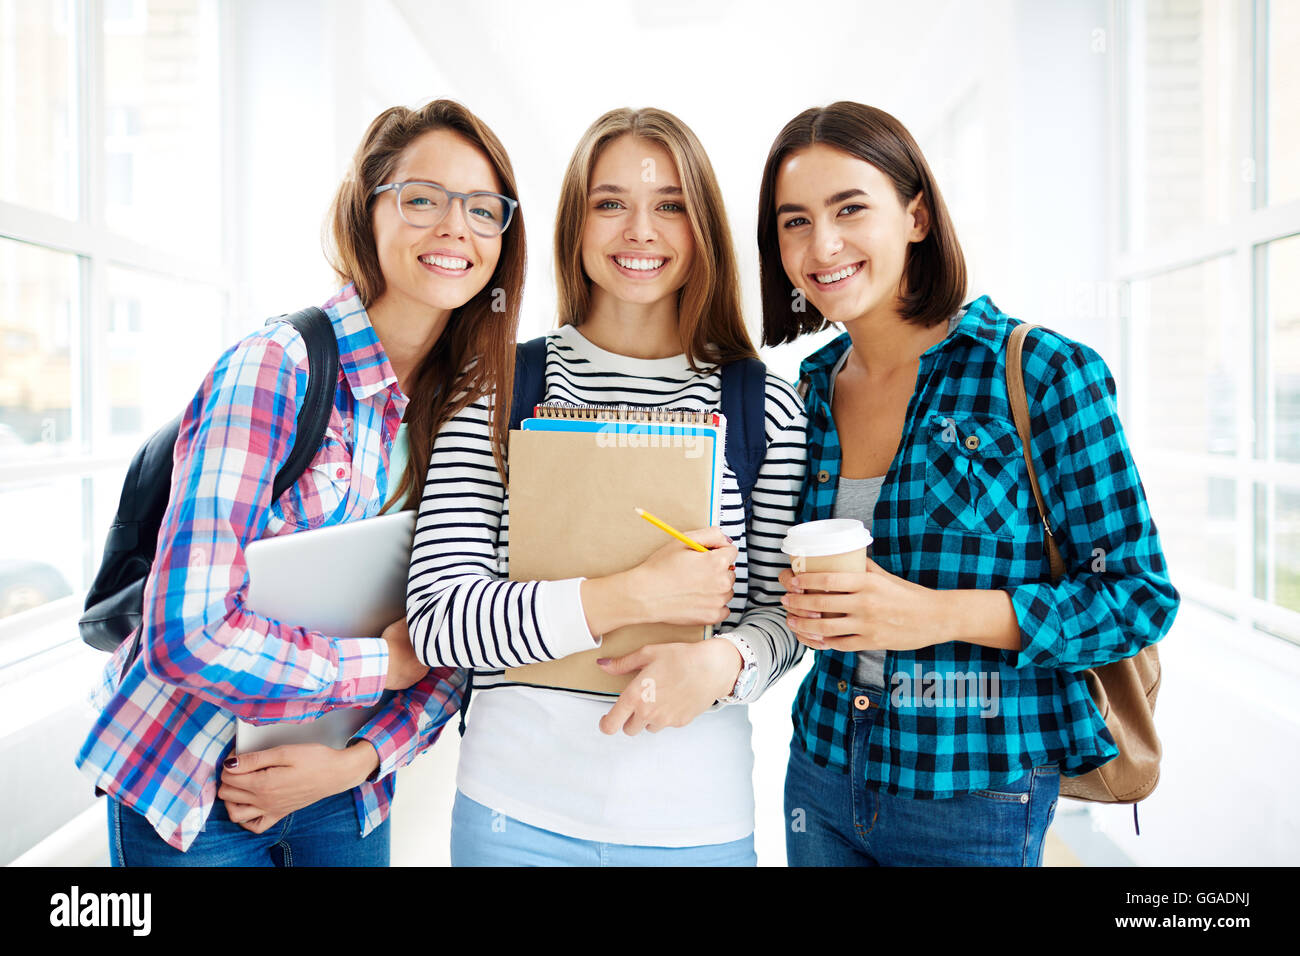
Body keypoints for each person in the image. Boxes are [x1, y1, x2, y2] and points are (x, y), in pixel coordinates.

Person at [75, 99, 526, 865]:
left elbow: (457, 628)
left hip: (344, 784)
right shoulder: (276, 369)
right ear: (368, 211)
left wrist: (354, 763)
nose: (456, 228)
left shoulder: (471, 410)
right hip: (193, 781)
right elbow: (185, 633)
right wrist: (382, 665)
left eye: (484, 209)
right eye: (422, 199)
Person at [759, 101, 1179, 866]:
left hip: (975, 793)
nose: (822, 244)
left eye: (851, 208)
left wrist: (933, 614)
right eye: (795, 220)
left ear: (916, 216)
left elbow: (1137, 599)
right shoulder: (809, 390)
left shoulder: (1043, 372)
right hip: (820, 773)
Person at [405, 107, 808, 866]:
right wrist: (633, 597)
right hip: (511, 816)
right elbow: (438, 619)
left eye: (669, 206)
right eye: (610, 203)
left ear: (704, 230)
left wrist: (722, 664)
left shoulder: (769, 408)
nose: (640, 231)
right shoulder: (495, 387)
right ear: (575, 224)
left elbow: (785, 621)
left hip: (695, 825)